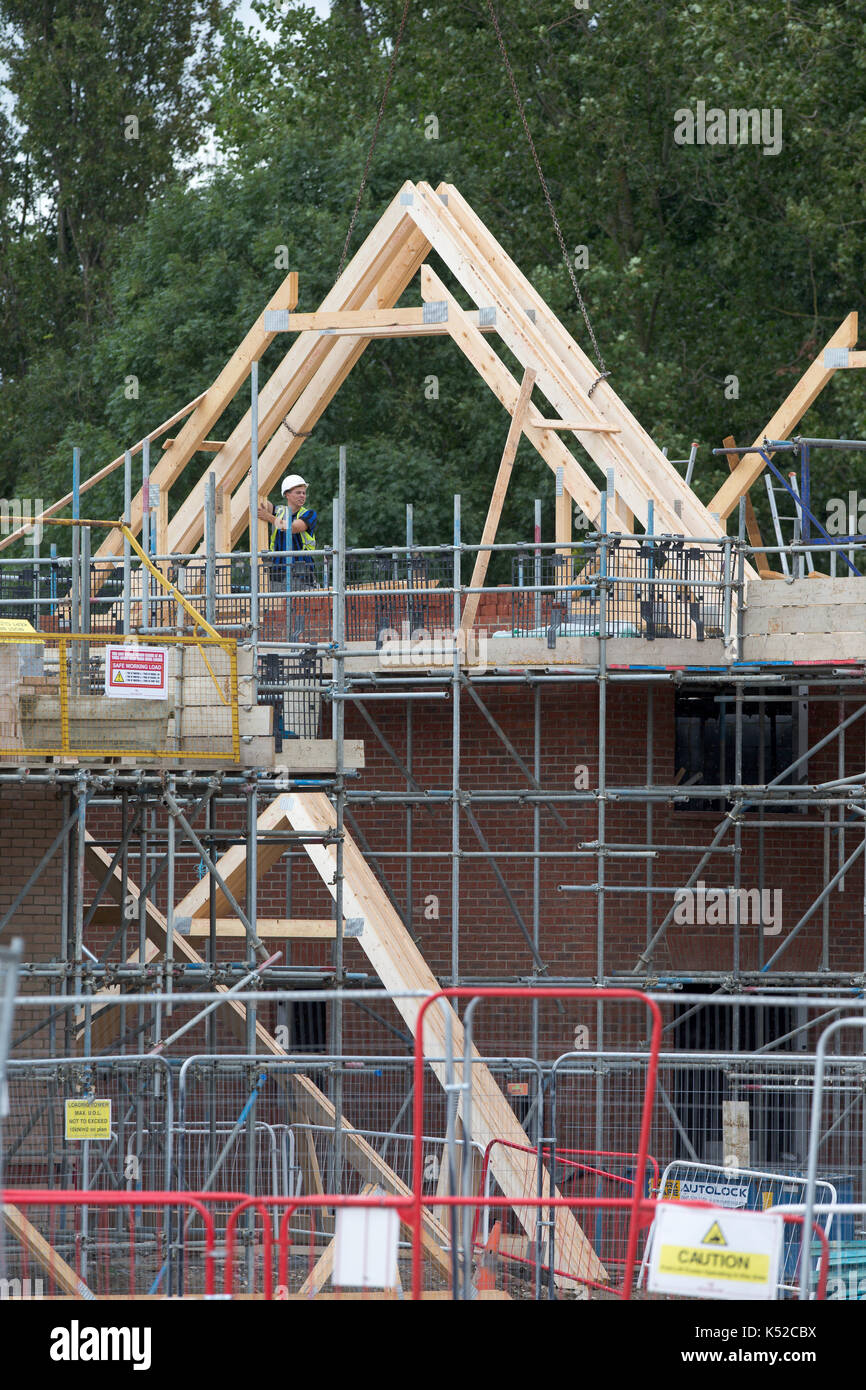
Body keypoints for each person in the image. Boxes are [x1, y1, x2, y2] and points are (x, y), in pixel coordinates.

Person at [258, 474, 318, 590]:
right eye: (298, 492)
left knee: (300, 605)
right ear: (287, 494)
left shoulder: (309, 514)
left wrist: (268, 517)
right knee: (278, 606)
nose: (302, 496)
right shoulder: (279, 511)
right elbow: (261, 499)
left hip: (301, 571)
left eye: (304, 493)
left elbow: (293, 528)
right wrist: (253, 478)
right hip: (277, 570)